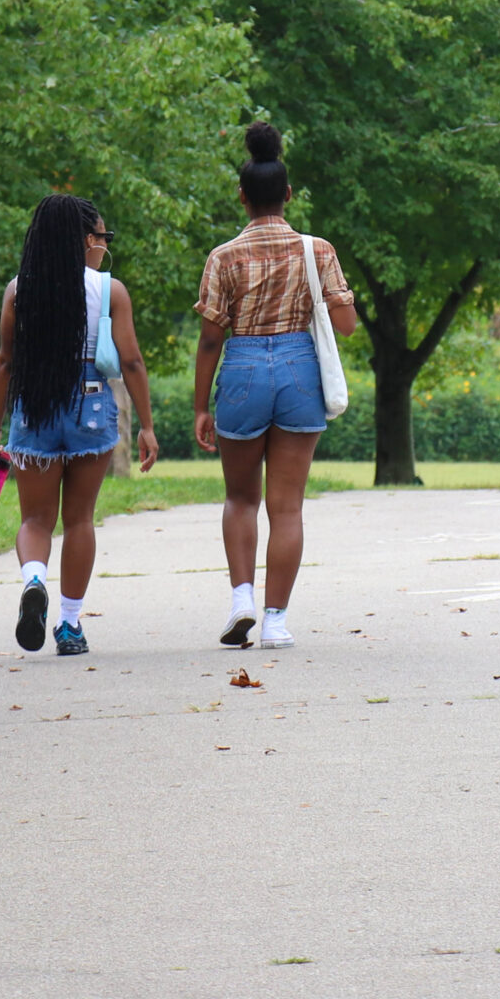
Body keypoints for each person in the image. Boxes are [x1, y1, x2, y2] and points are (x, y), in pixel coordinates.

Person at [191, 122, 357, 649]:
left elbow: (211, 339)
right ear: (287, 194)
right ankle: (277, 622)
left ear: (242, 197)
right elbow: (347, 324)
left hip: (240, 367)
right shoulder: (319, 250)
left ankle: (241, 598)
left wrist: (201, 406)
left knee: (241, 498)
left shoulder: (223, 257)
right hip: (297, 369)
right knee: (287, 507)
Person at [0, 193, 160, 657]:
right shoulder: (108, 290)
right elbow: (133, 362)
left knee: (36, 519)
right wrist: (146, 425)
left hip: (34, 406)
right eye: (103, 236)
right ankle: (69, 625)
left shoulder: (19, 289)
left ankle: (33, 579)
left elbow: (5, 363)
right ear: (85, 240)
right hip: (91, 405)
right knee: (79, 519)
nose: (104, 245)